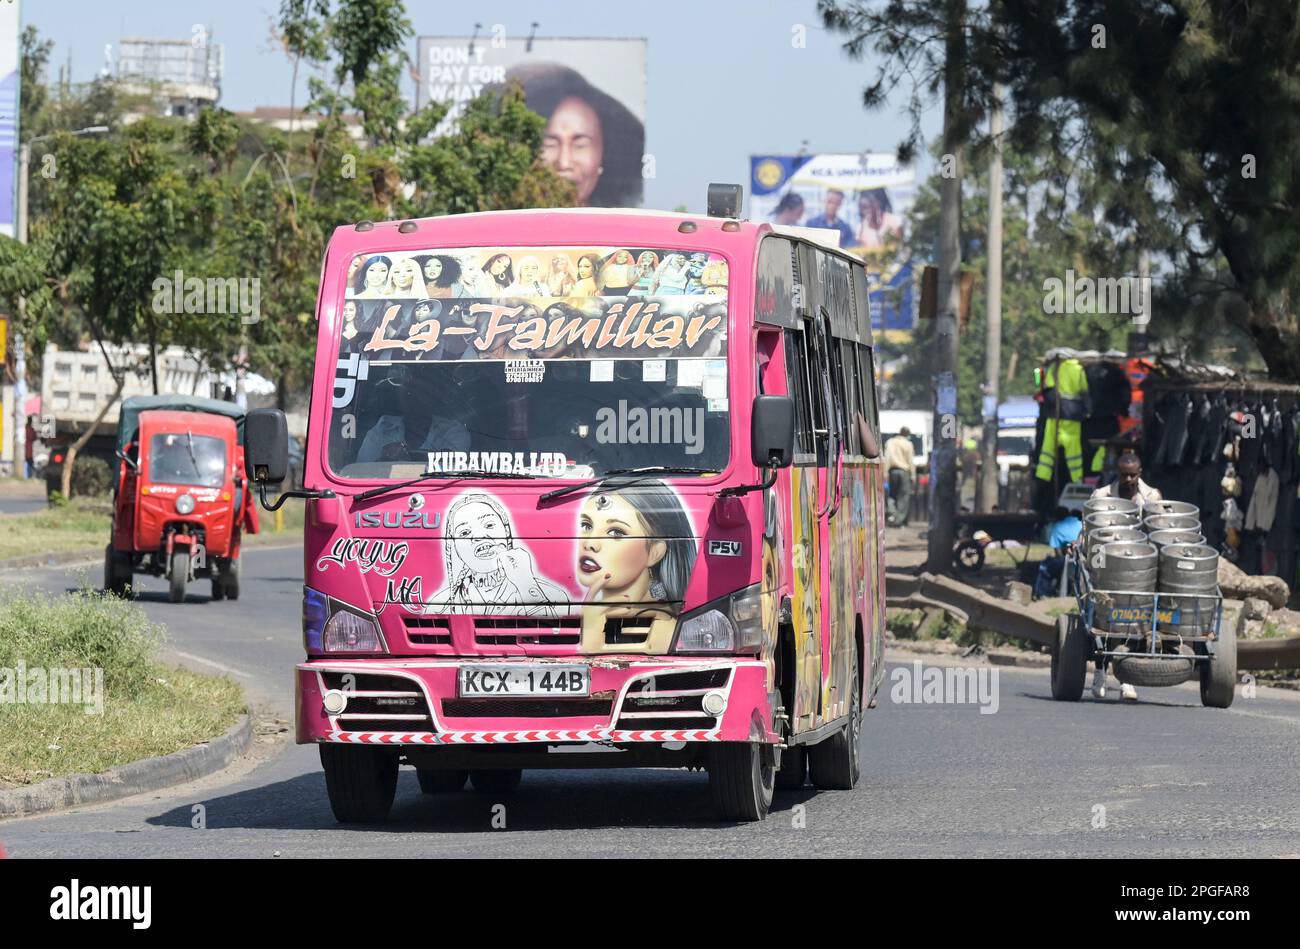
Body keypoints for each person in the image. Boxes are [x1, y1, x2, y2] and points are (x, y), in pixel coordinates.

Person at [506, 62, 646, 207]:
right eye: (549, 144)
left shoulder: (621, 227)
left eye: (580, 145)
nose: (564, 163)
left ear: (603, 155)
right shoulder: (507, 224)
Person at [425, 492, 569, 616]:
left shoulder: (553, 595)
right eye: (465, 532)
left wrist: (526, 585)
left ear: (507, 532)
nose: (480, 536)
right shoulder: (439, 605)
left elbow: (550, 633)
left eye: (489, 525)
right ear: (454, 547)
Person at [576, 481, 696, 620]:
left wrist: (591, 629)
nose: (590, 543)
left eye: (616, 532)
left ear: (654, 553)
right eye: (586, 526)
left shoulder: (662, 621)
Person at [356, 367, 470, 464]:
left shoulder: (453, 431)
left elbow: (452, 467)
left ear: (432, 398)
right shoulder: (383, 427)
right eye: (408, 392)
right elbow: (360, 471)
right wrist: (385, 458)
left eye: (420, 392)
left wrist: (408, 455)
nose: (412, 397)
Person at [1033, 506, 1082, 600]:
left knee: (1045, 566)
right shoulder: (1079, 523)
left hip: (1069, 559)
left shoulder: (1058, 527)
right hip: (1082, 559)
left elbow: (1058, 553)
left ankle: (1042, 593)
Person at [1090, 451, 1162, 508]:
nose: (1128, 479)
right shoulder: (1101, 496)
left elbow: (1158, 524)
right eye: (1124, 475)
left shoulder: (1152, 497)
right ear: (1118, 472)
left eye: (1133, 475)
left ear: (1139, 473)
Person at [883, 427, 916, 525]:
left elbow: (887, 458)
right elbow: (910, 460)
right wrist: (913, 475)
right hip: (904, 472)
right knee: (903, 496)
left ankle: (892, 514)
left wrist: (885, 472)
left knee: (892, 495)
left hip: (892, 472)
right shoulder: (908, 444)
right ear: (907, 434)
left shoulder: (890, 442)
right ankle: (899, 520)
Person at [24, 415, 37, 479]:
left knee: (29, 462)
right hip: (29, 449)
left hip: (27, 448)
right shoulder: (30, 429)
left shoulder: (25, 428)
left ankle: (28, 475)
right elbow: (33, 437)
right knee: (30, 463)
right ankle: (30, 475)